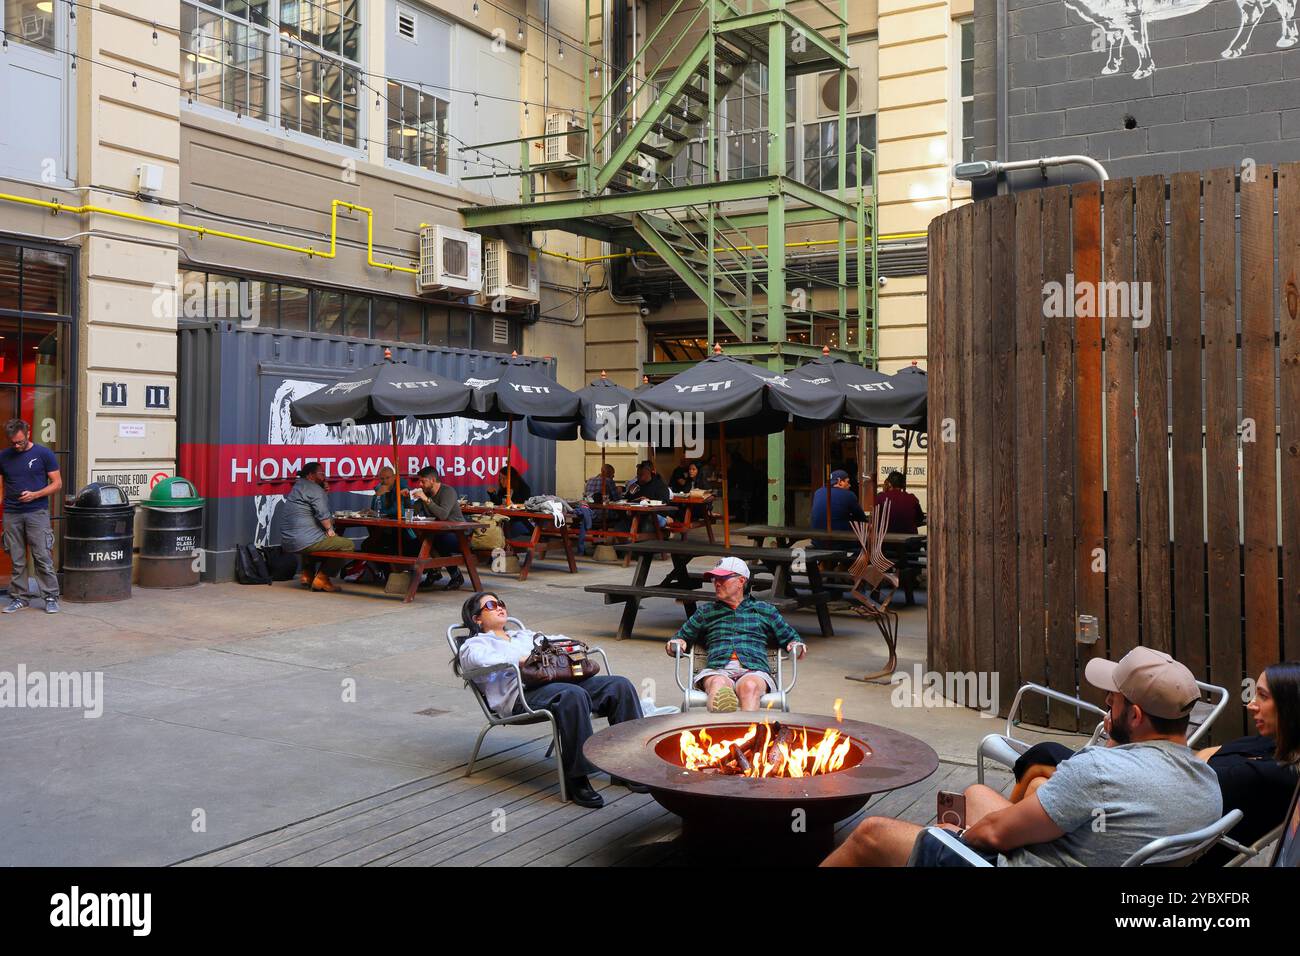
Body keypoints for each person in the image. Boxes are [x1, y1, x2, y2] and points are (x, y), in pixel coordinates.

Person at [822, 646, 1222, 866]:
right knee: (978, 794)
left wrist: (958, 839)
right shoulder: (1208, 782)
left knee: (871, 833)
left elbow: (993, 835)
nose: (1105, 702)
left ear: (1134, 715)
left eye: (1112, 699)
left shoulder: (1100, 770)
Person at [455, 591, 647, 809]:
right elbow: (478, 660)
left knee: (618, 686)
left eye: (501, 603)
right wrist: (523, 659)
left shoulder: (523, 635)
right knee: (572, 696)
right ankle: (577, 778)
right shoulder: (475, 645)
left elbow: (558, 640)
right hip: (520, 696)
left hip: (554, 683)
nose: (499, 607)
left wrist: (570, 646)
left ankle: (626, 766)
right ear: (476, 618)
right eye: (490, 605)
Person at [665, 557, 807, 712]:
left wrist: (794, 644)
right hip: (717, 670)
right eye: (715, 578)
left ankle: (747, 734)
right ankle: (723, 733)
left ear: (741, 581)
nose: (717, 583)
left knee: (749, 687)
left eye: (723, 578)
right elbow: (679, 639)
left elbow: (791, 637)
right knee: (719, 686)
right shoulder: (706, 612)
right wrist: (678, 643)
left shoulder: (764, 610)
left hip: (753, 670)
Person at [1195, 661, 1300, 864]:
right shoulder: (1275, 742)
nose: (1251, 704)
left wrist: (1202, 759)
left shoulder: (1271, 775)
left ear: (1290, 707)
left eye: (1263, 696)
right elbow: (1206, 754)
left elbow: (1196, 766)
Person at [0, 418, 62, 614]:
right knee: (17, 559)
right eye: (13, 443)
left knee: (42, 556)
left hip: (37, 512)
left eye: (20, 441)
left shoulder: (44, 453)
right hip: (11, 513)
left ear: (28, 434)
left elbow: (57, 483)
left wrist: (35, 494)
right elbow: (1, 486)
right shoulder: (4, 456)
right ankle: (20, 598)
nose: (17, 446)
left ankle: (50, 596)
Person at [280, 462, 355, 592]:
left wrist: (323, 493)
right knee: (347, 545)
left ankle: (307, 574)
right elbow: (323, 514)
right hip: (305, 541)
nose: (324, 477)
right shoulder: (314, 489)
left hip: (288, 541)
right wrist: (330, 531)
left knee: (317, 540)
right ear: (310, 475)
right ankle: (322, 579)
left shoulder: (298, 487)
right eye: (321, 474)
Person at [409, 465, 466, 590]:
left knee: (436, 541)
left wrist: (426, 499)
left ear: (432, 480)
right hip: (438, 532)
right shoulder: (426, 493)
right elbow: (414, 512)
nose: (420, 484)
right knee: (415, 541)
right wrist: (408, 499)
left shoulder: (448, 492)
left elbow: (443, 514)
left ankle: (454, 575)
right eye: (420, 481)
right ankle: (434, 571)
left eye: (423, 481)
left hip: (457, 533)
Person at [810, 469, 868, 546]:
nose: (850, 485)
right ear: (839, 481)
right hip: (836, 541)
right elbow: (862, 518)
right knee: (866, 534)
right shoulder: (849, 495)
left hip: (817, 541)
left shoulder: (818, 492)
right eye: (847, 482)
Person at [578, 464, 621, 554]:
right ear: (608, 473)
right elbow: (617, 499)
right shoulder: (608, 481)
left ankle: (597, 540)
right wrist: (619, 491)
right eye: (613, 474)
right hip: (603, 514)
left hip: (588, 512)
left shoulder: (589, 480)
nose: (613, 477)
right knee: (621, 516)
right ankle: (616, 542)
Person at [624, 462, 672, 530]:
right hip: (637, 514)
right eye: (638, 474)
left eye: (641, 474)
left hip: (656, 514)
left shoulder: (659, 485)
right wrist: (630, 494)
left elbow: (664, 502)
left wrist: (649, 501)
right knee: (620, 526)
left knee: (646, 525)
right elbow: (627, 499)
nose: (638, 477)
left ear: (648, 473)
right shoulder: (636, 485)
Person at [489, 466, 532, 541]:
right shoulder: (503, 490)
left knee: (505, 522)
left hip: (519, 519)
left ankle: (506, 543)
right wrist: (492, 494)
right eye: (500, 478)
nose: (501, 481)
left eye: (504, 478)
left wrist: (512, 505)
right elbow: (498, 503)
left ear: (511, 479)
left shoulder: (523, 489)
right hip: (505, 517)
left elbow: (524, 505)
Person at [875, 470, 925, 535]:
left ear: (889, 483)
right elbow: (920, 518)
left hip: (886, 539)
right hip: (909, 539)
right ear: (902, 484)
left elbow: (875, 518)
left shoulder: (881, 497)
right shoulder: (912, 498)